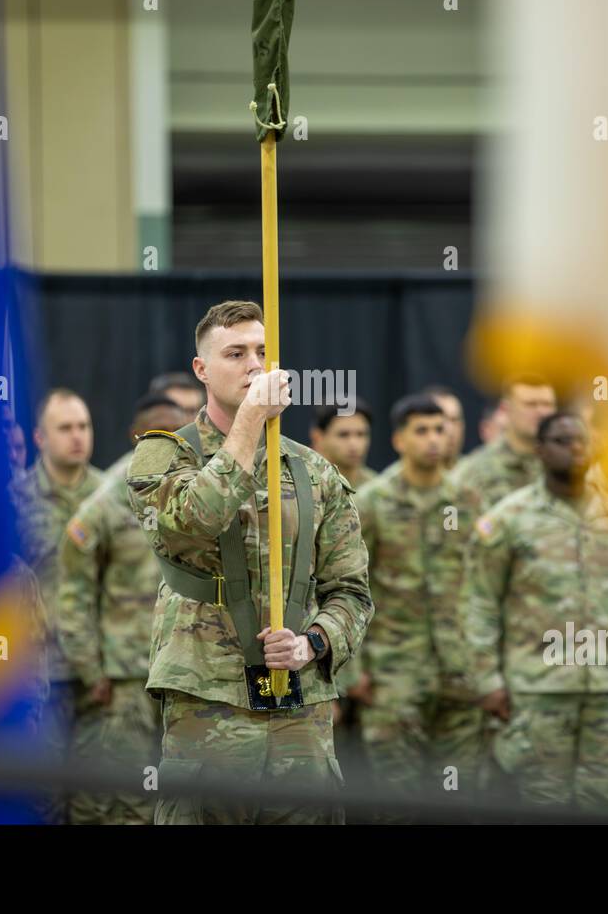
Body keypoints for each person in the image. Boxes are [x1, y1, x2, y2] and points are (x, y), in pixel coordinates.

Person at [126, 300, 372, 824]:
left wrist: (314, 642)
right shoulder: (164, 454)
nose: (253, 365)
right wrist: (249, 423)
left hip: (298, 705)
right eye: (235, 353)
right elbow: (192, 519)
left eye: (262, 353)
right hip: (207, 698)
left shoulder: (314, 472)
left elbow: (350, 589)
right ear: (201, 370)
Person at [463, 412, 608, 812]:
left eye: (582, 441)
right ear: (540, 450)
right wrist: (488, 680)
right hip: (538, 688)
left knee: (602, 800)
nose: (575, 449)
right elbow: (480, 603)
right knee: (544, 803)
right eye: (562, 441)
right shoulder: (509, 520)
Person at [56, 394, 186, 824]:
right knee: (128, 792)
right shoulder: (110, 497)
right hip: (127, 674)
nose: (169, 441)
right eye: (158, 433)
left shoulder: (198, 492)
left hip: (187, 670)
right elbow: (74, 589)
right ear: (137, 437)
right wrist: (90, 667)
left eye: (176, 432)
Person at [352, 394, 483, 819]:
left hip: (459, 668)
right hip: (394, 671)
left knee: (459, 795)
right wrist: (353, 669)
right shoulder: (372, 502)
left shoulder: (466, 500)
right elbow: (345, 585)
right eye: (421, 431)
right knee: (398, 798)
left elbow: (484, 584)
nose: (433, 440)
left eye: (440, 430)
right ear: (399, 440)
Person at [10, 386, 105, 822]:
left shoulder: (114, 499)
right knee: (41, 796)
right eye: (65, 428)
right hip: (40, 672)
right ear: (40, 438)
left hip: (105, 676)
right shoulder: (14, 503)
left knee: (101, 798)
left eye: (83, 426)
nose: (77, 437)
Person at [451, 374, 555, 512]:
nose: (541, 412)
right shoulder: (474, 470)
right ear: (505, 409)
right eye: (531, 404)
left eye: (547, 404)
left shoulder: (564, 464)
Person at [310, 399, 377, 489]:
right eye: (343, 435)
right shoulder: (299, 483)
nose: (354, 444)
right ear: (318, 438)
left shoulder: (377, 488)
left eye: (360, 434)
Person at [419, 384, 465, 470]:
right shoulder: (402, 479)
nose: (450, 430)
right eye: (442, 422)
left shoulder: (477, 475)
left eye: (455, 420)